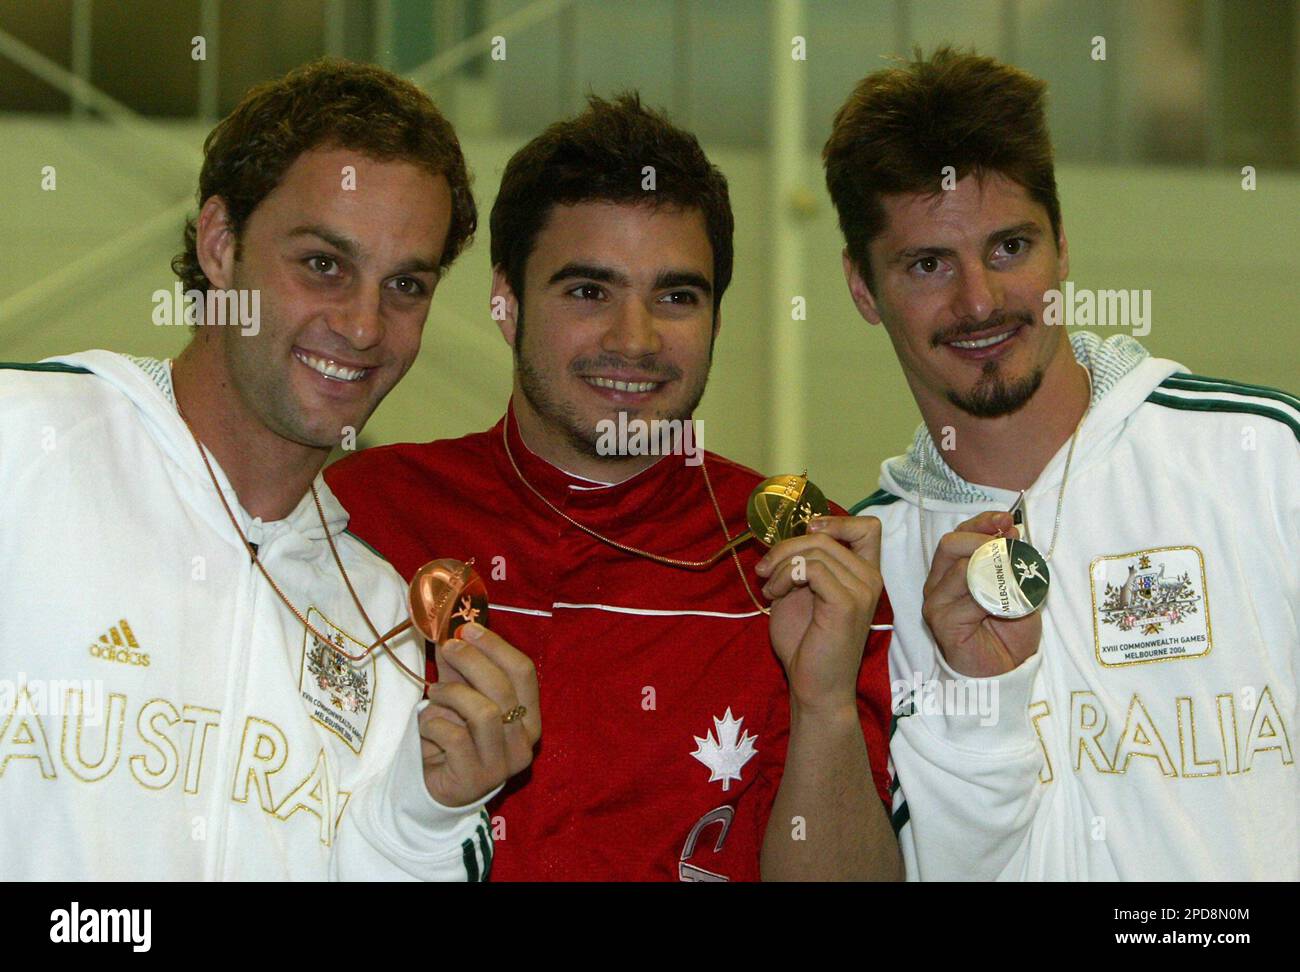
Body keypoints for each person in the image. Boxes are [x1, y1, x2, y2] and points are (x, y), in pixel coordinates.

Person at [327, 93, 900, 881]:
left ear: (717, 320)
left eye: (676, 296)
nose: (635, 340)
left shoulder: (807, 564)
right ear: (505, 301)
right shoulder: (361, 516)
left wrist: (825, 704)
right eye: (588, 291)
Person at [0, 59, 539, 880]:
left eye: (405, 284)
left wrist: (426, 817)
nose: (363, 327)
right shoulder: (25, 440)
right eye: (323, 263)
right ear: (221, 246)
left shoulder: (383, 620)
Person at [823, 46, 1298, 880]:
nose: (978, 300)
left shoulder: (1263, 459)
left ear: (1063, 246)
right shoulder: (866, 584)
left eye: (1009, 248)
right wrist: (977, 707)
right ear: (862, 287)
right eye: (928, 264)